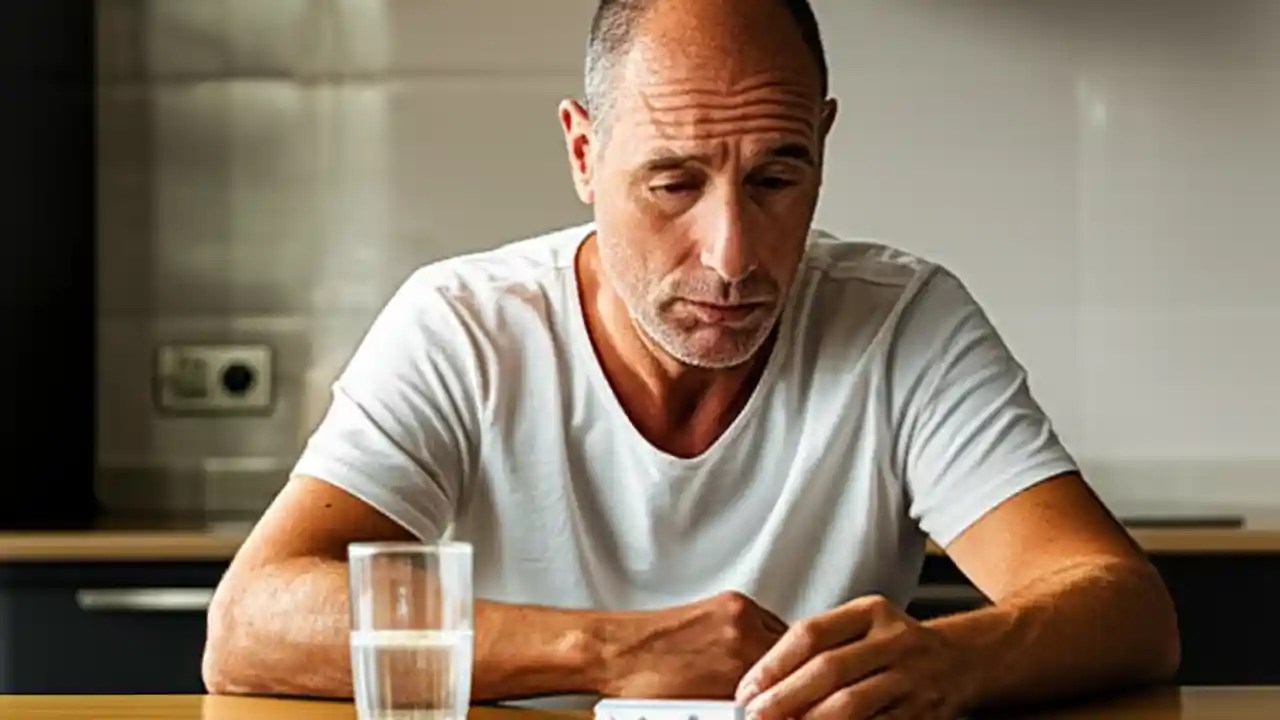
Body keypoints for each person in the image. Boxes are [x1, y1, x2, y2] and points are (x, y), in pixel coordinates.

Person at [202, 0, 1180, 716]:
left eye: (776, 177)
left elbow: (1125, 608)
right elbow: (249, 623)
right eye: (672, 183)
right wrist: (612, 652)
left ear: (822, 144)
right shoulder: (461, 326)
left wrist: (950, 660)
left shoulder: (900, 323)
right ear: (583, 155)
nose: (732, 256)